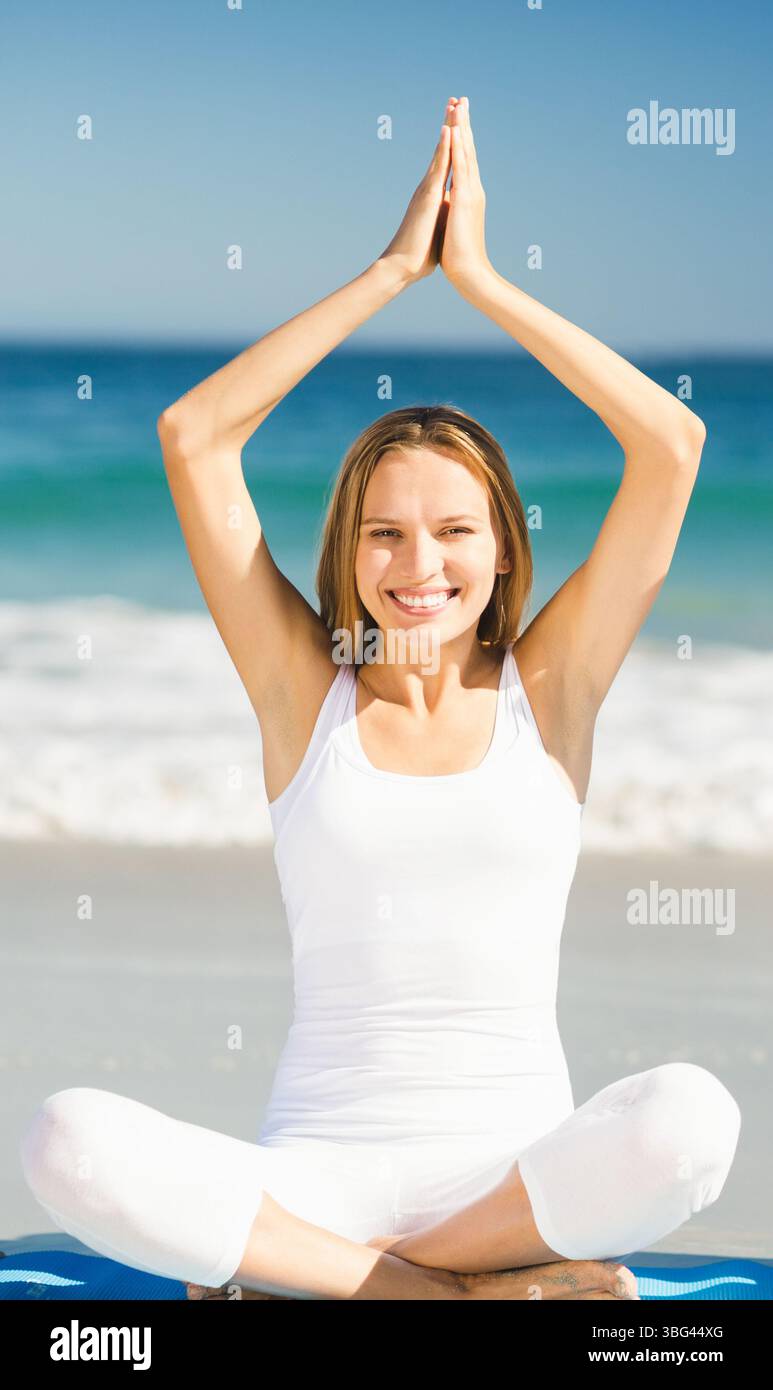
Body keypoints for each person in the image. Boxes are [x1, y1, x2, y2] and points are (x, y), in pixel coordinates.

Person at [19, 97, 740, 1302]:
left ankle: (367, 1279)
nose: (419, 566)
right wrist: (391, 270)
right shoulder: (303, 689)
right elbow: (194, 435)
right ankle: (444, 1293)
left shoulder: (548, 691)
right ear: (347, 551)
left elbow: (668, 442)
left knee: (690, 1120)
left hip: (518, 1179)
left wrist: (483, 282)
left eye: (455, 531)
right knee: (63, 1140)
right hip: (317, 1179)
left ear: (503, 548)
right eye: (385, 533)